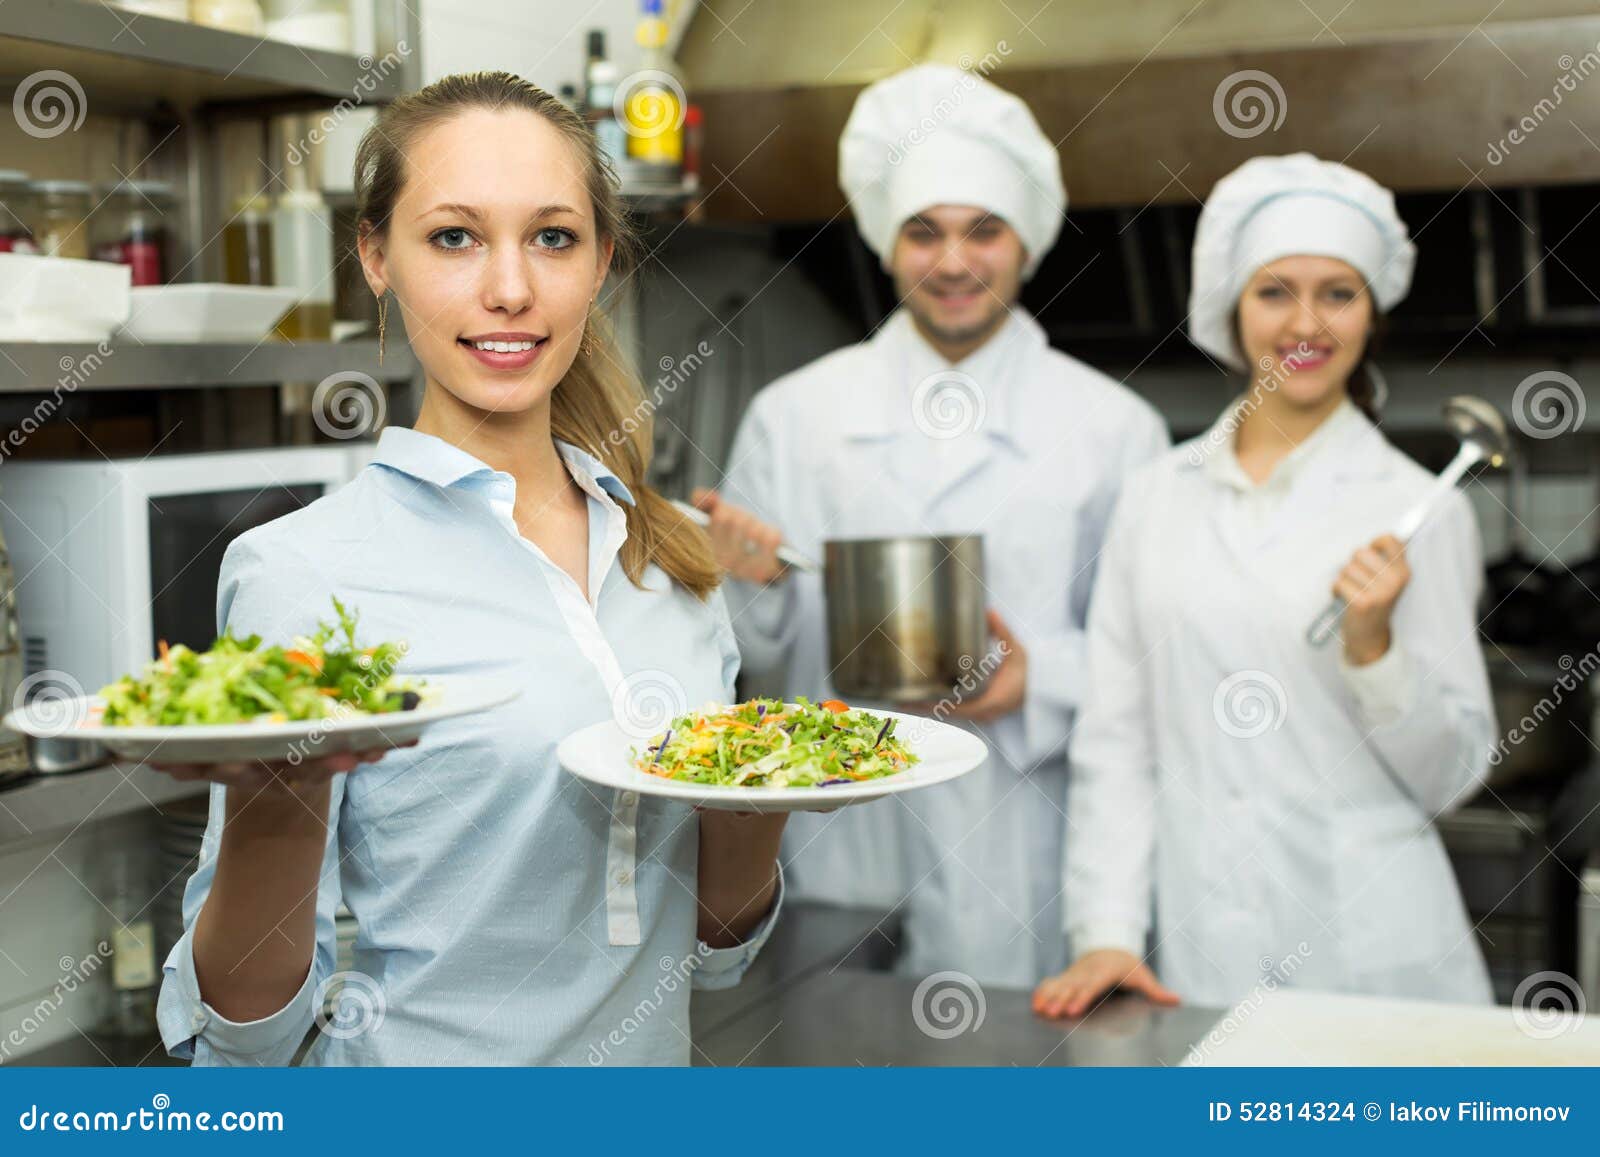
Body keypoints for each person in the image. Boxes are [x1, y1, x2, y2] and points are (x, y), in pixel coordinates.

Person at [153, 72, 786, 1066]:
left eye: (552, 237)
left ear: (601, 262)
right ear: (375, 255)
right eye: (454, 236)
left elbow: (711, 953)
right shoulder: (302, 571)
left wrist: (762, 800)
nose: (511, 288)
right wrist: (281, 799)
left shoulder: (668, 559)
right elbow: (246, 1034)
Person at [693, 64, 1168, 987]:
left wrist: (1042, 676)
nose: (953, 262)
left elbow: (1153, 652)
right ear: (886, 244)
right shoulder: (796, 418)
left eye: (983, 230)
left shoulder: (1114, 427)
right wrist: (752, 583)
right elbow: (742, 655)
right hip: (847, 832)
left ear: (1025, 243)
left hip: (1031, 827)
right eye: (925, 232)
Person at [1033, 153, 1495, 1019]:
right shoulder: (1156, 495)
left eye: (1339, 293)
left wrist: (1375, 650)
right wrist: (1105, 929)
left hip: (1373, 958)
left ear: (1372, 312)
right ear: (1232, 308)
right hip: (1204, 944)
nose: (1306, 323)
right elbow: (1116, 738)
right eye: (1275, 291)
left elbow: (1453, 774)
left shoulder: (1417, 507)